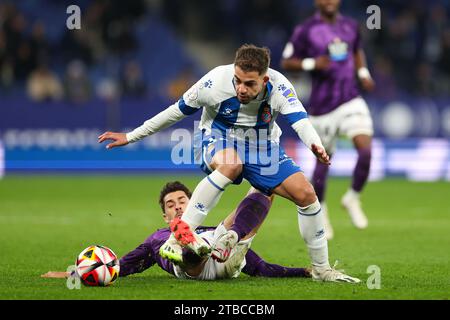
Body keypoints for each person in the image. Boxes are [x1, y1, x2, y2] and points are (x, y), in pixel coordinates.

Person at [98, 44, 360, 283]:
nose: (241, 89)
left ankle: (322, 269)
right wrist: (131, 135)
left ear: (265, 79)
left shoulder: (280, 87)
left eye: (249, 84)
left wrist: (314, 144)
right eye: (238, 81)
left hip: (262, 146)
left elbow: (300, 121)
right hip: (218, 137)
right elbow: (175, 111)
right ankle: (177, 239)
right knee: (231, 164)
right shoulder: (213, 82)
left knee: (307, 195)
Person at [41, 181, 311, 281]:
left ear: (194, 205)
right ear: (164, 214)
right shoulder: (153, 241)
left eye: (183, 202)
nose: (178, 206)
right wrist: (75, 273)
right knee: (198, 246)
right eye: (171, 205)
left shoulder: (209, 229)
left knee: (263, 188)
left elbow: (261, 267)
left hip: (222, 258)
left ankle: (201, 243)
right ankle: (191, 245)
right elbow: (119, 267)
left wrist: (304, 272)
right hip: (193, 268)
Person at [281, 0, 376, 239]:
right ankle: (321, 211)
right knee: (323, 163)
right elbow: (286, 61)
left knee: (365, 150)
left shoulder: (351, 26)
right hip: (322, 107)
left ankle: (353, 198)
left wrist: (363, 72)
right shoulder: (305, 30)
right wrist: (312, 63)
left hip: (350, 98)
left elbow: (356, 51)